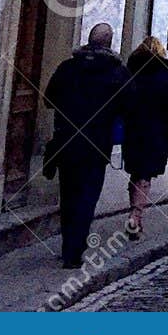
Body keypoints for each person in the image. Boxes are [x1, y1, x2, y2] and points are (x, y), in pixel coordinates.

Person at [43, 23, 129, 267]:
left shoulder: (68, 68)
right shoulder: (116, 73)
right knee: (87, 198)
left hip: (66, 142)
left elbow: (49, 99)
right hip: (96, 145)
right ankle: (74, 250)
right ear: (109, 43)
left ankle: (68, 245)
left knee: (68, 195)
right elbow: (128, 106)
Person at [120, 36, 168, 239]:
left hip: (134, 130)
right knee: (144, 174)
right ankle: (135, 217)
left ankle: (135, 216)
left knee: (136, 172)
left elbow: (123, 100)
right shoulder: (163, 75)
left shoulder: (131, 72)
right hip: (156, 133)